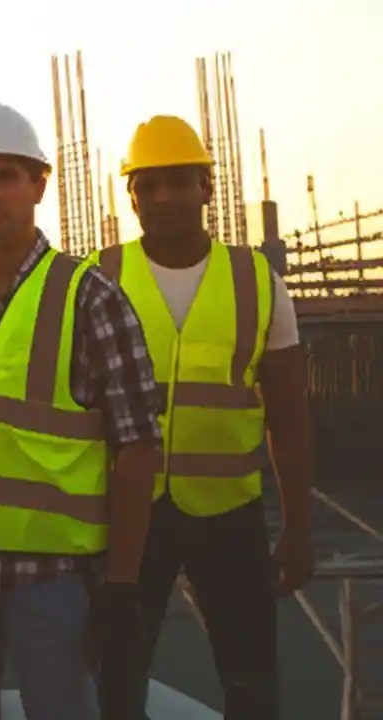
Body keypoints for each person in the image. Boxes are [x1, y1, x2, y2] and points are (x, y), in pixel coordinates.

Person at [0, 102, 162, 720]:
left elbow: (136, 448)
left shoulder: (89, 295)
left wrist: (121, 587)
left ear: (38, 185)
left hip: (50, 577)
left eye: (3, 176)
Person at [92, 114, 312, 720]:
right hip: (127, 516)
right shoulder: (99, 276)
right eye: (148, 184)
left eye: (178, 182)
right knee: (116, 679)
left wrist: (297, 528)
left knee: (251, 682)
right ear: (130, 194)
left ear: (206, 188)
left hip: (229, 516)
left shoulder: (256, 281)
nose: (163, 197)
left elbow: (289, 417)